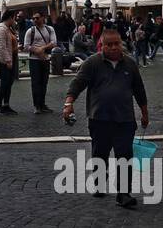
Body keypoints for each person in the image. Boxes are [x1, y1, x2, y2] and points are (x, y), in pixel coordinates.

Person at [63, 27, 149, 208]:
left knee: (125, 156)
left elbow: (139, 89)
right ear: (101, 45)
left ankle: (123, 193)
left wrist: (144, 112)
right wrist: (68, 103)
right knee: (100, 154)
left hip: (125, 119)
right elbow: (77, 83)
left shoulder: (130, 64)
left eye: (116, 44)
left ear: (121, 44)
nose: (113, 48)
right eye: (109, 44)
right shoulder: (92, 63)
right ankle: (100, 182)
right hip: (99, 118)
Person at [23, 12, 56, 114]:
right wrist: (37, 51)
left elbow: (54, 42)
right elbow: (26, 46)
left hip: (45, 59)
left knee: (44, 83)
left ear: (43, 18)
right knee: (36, 83)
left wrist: (42, 49)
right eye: (33, 18)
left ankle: (42, 104)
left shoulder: (50, 29)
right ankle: (37, 105)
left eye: (37, 18)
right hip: (34, 60)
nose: (35, 20)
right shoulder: (30, 31)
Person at [0, 10, 19, 115]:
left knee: (9, 82)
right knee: (4, 82)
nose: (15, 20)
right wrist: (8, 60)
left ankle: (6, 105)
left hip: (11, 57)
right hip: (3, 59)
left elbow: (9, 44)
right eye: (15, 18)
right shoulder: (1, 29)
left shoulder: (9, 29)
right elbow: (2, 47)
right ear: (10, 18)